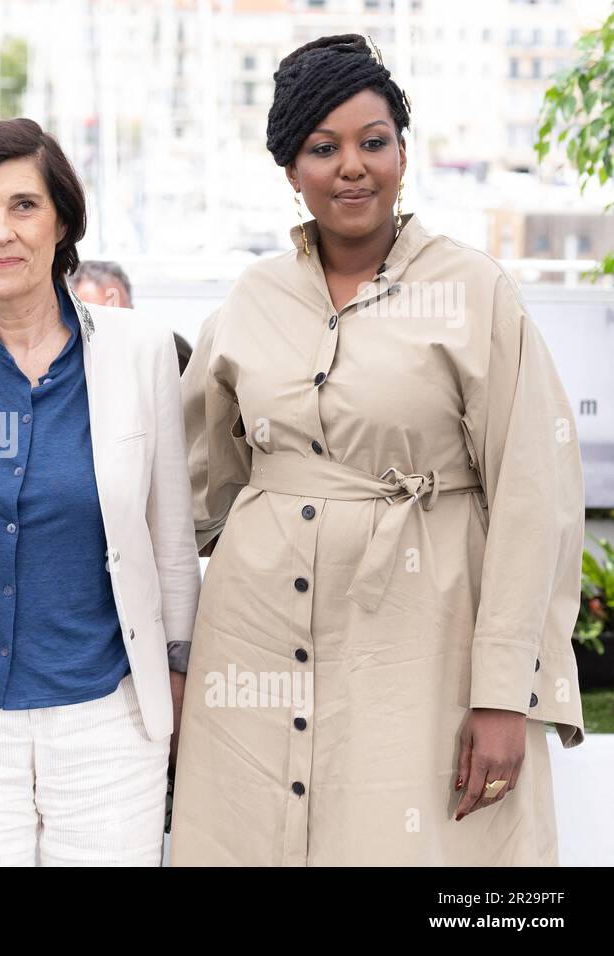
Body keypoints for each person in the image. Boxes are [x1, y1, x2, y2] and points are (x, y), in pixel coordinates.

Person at [171, 35, 585, 866]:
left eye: (373, 141)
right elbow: (197, 488)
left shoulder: (475, 293)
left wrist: (508, 693)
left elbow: (535, 498)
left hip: (425, 640)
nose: (352, 167)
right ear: (290, 168)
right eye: (322, 148)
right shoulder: (250, 302)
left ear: (404, 151)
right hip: (253, 644)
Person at [0, 118, 200, 865]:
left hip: (112, 721)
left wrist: (176, 694)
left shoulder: (140, 349)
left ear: (63, 220)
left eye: (23, 206)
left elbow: (172, 540)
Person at [73, 260, 192, 374]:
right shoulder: (66, 365)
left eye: (121, 314)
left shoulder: (170, 350)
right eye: (97, 318)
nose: (112, 328)